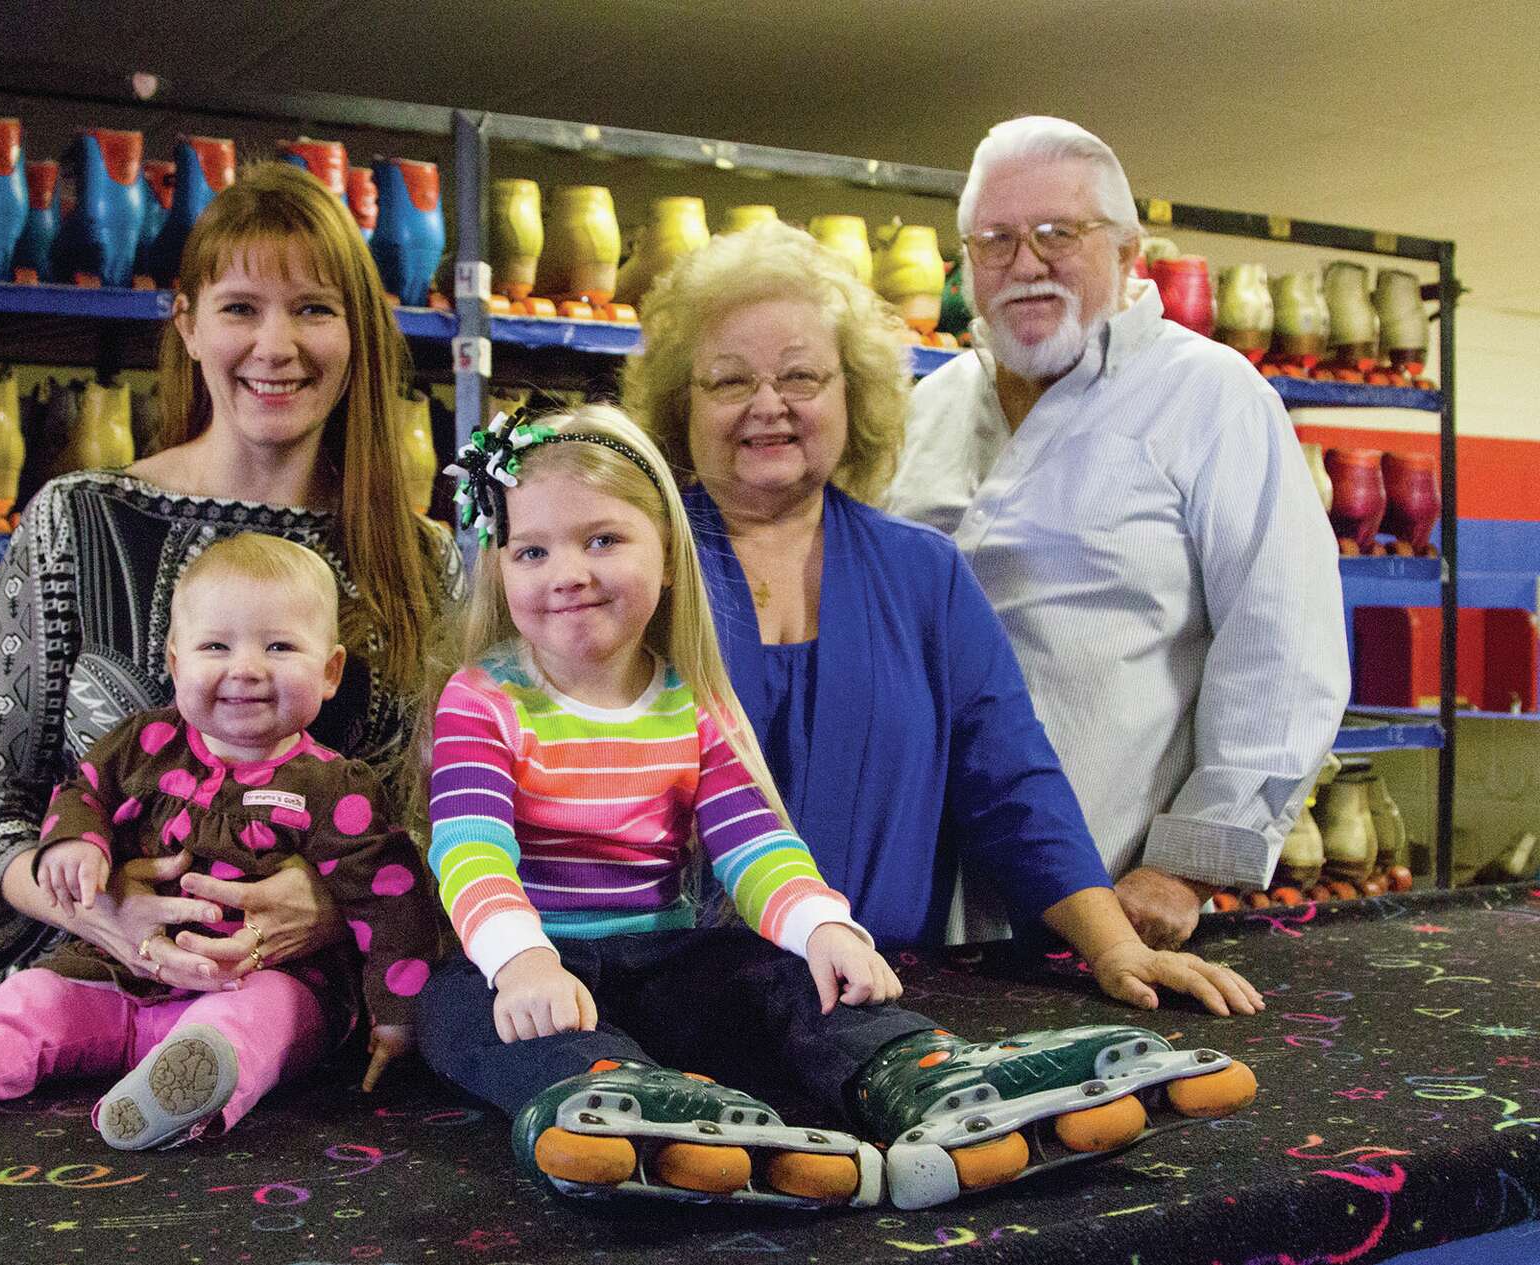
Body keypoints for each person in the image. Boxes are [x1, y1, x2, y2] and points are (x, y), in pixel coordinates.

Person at [415, 405, 1258, 1213]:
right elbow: (472, 852)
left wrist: (822, 927)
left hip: (669, 963)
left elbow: (755, 846)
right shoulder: (483, 699)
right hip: (535, 971)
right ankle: (608, 1095)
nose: (567, 572)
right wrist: (522, 959)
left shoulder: (693, 700)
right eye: (531, 551)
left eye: (603, 539)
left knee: (782, 973)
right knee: (455, 1006)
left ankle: (919, 1074)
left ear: (669, 556)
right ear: (499, 565)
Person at [623, 218, 1262, 1004]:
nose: (768, 405)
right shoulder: (629, 570)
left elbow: (1012, 782)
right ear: (677, 405)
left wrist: (1114, 947)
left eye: (801, 378)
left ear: (852, 397)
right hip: (667, 1000)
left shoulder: (923, 573)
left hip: (877, 999)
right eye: (727, 381)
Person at [0, 162, 457, 998]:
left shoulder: (431, 562)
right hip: (93, 1011)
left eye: (313, 308)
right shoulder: (77, 523)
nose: (275, 346)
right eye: (241, 308)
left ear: (357, 332)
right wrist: (94, 908)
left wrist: (334, 902)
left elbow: (468, 822)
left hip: (338, 1041)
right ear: (188, 327)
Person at [0, 536, 437, 1147]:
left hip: (256, 981)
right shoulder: (143, 743)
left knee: (268, 1016)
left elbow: (392, 893)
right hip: (110, 973)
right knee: (33, 1001)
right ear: (174, 663)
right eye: (216, 647)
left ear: (329, 671)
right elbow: (80, 791)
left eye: (280, 648)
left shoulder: (335, 785)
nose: (247, 669)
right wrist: (75, 846)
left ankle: (182, 1095)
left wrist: (396, 1017)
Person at [885, 117, 1349, 948]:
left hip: (1105, 912)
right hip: (905, 907)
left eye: (1058, 233)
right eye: (994, 240)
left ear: (1129, 248)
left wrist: (1186, 864)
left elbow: (1285, 648)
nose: (1026, 263)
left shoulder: (1210, 397)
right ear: (963, 262)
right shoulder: (926, 409)